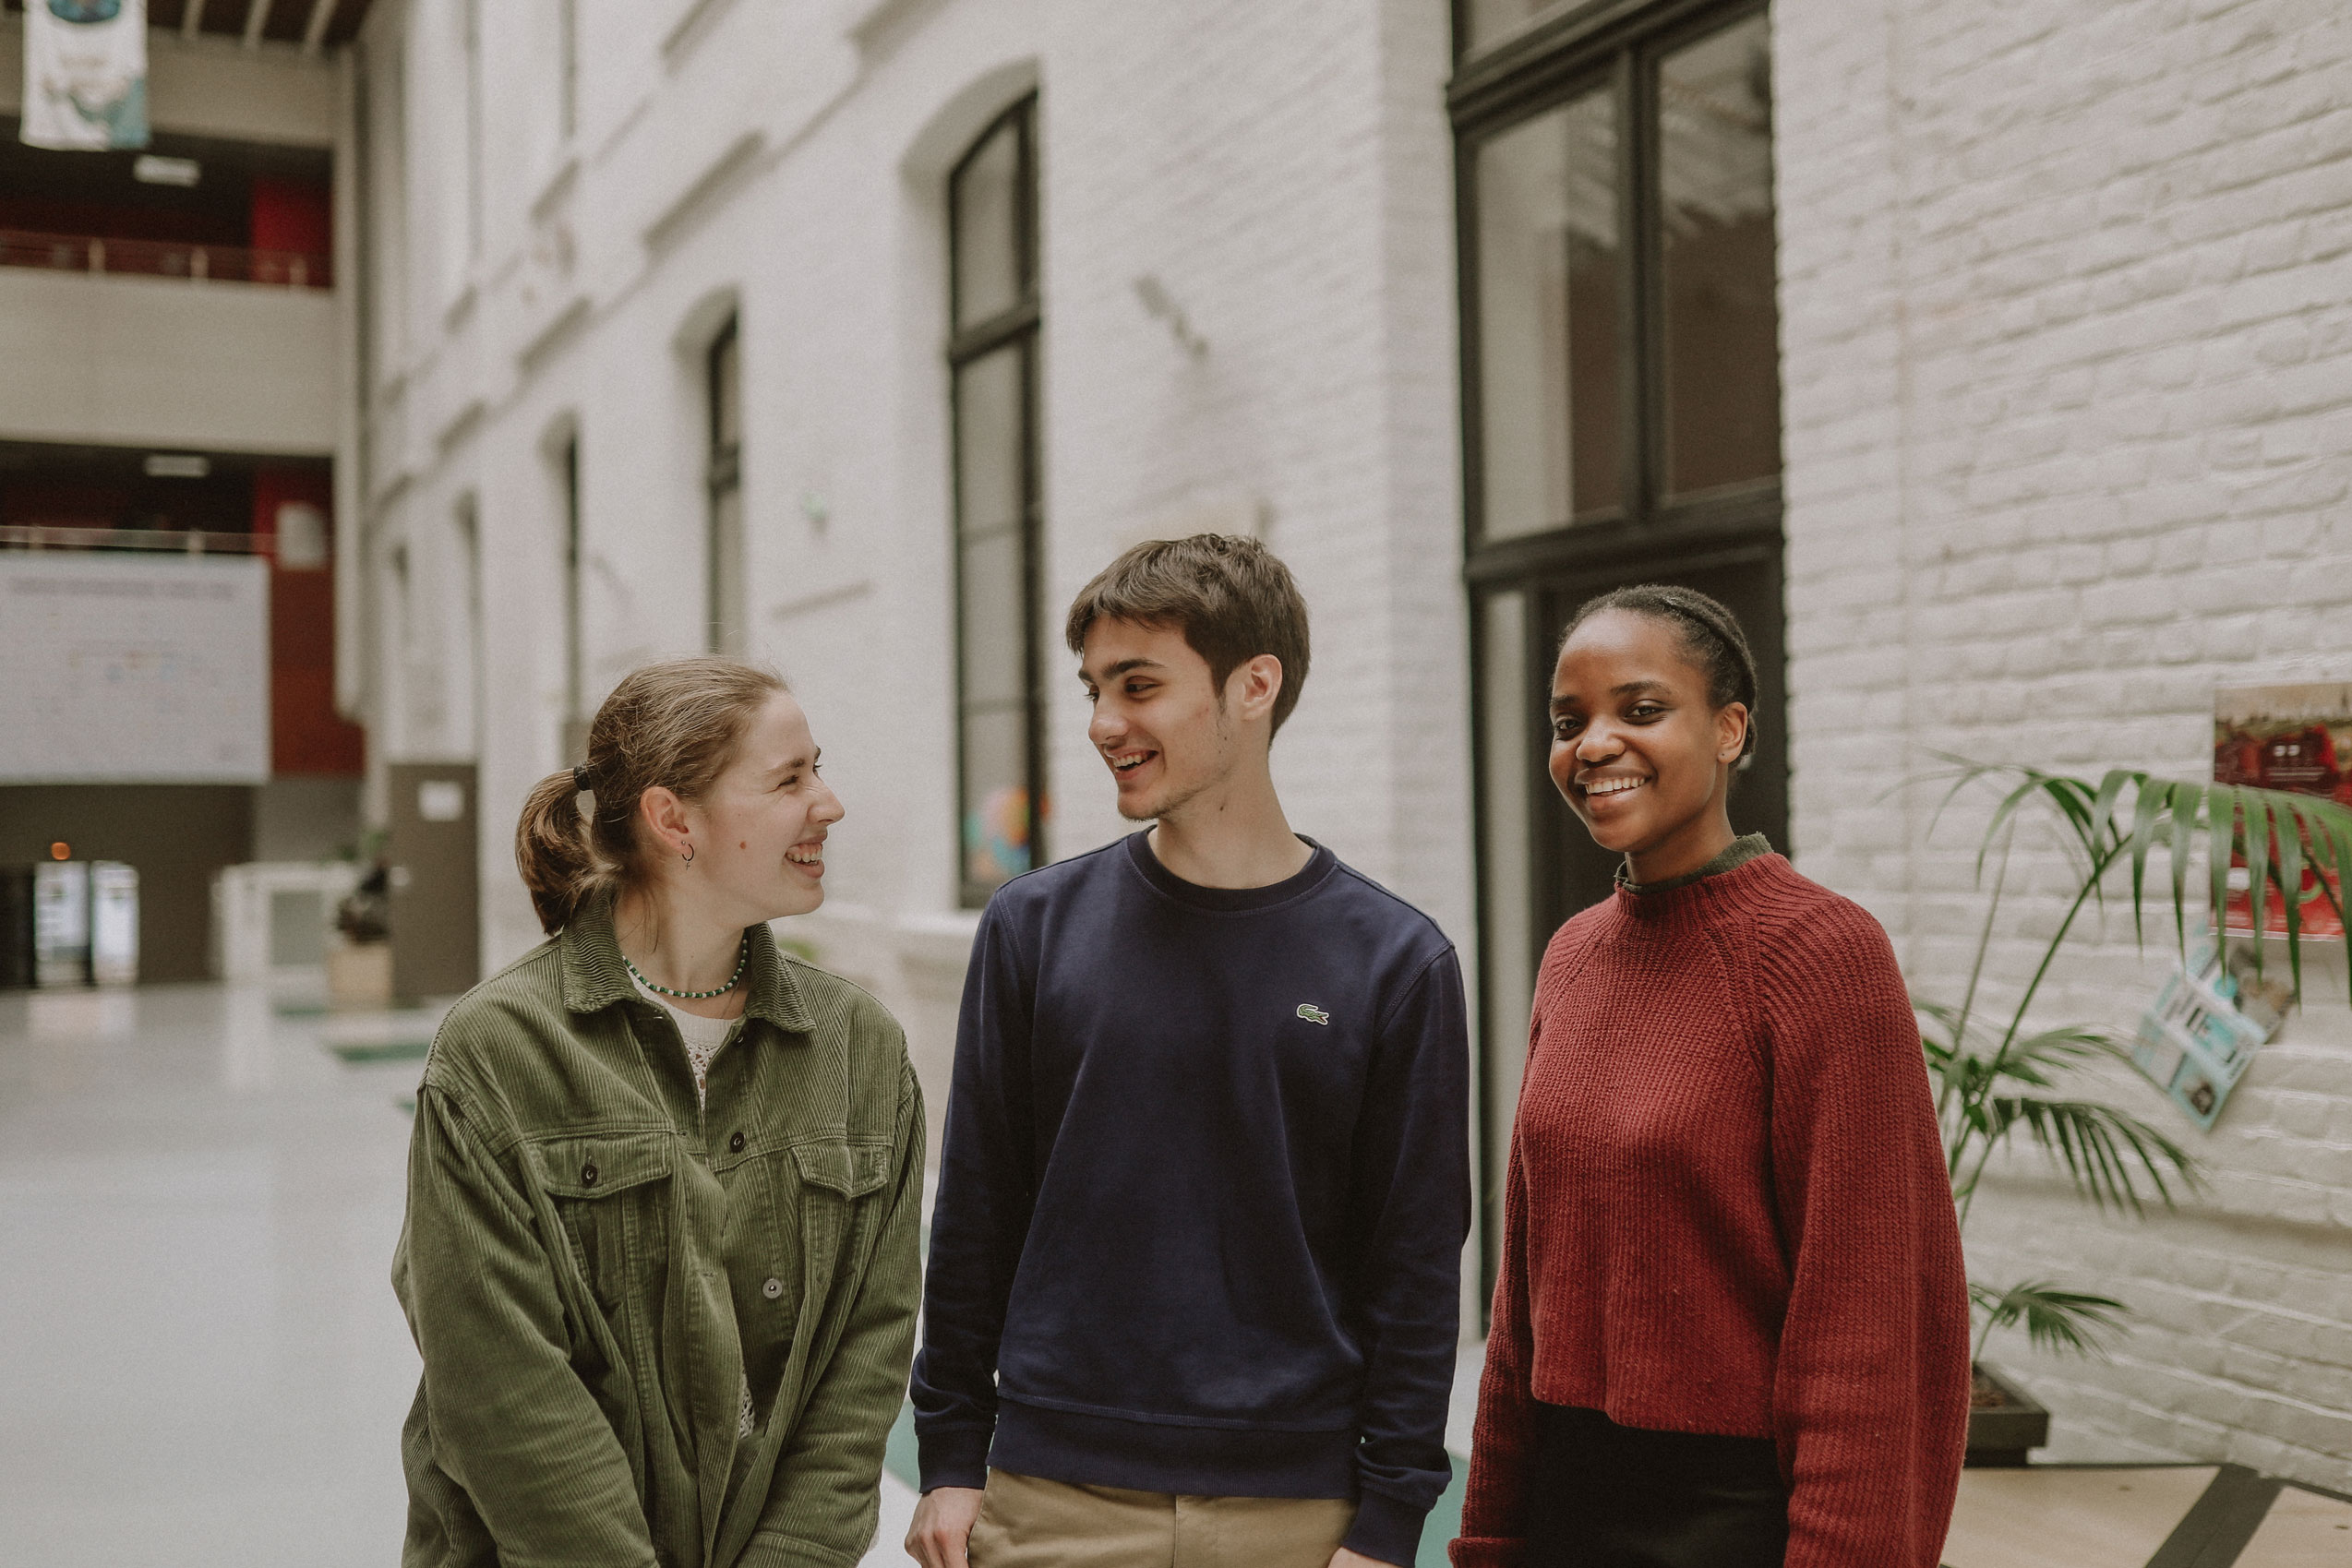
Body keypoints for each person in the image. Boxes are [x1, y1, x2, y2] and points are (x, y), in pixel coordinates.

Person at [907, 535, 1470, 1568]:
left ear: (1254, 685)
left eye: (1139, 685)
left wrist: (1389, 1523)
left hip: (1296, 1516)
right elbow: (977, 1211)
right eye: (1092, 689)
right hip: (1049, 1503)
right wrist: (948, 1455)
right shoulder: (1033, 929)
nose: (1102, 724)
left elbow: (1415, 1264)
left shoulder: (1396, 960)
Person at [1451, 586, 1970, 1568]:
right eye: (1570, 722)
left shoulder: (1821, 952)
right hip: (1564, 1505)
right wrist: (1492, 1533)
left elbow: (1869, 1329)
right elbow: (1521, 1307)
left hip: (1730, 1523)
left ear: (1730, 728)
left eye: (1640, 710)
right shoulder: (1571, 955)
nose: (1594, 743)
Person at [393, 657, 923, 1568]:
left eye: (818, 769)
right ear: (674, 818)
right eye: (790, 779)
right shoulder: (499, 1051)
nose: (828, 804)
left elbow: (867, 1360)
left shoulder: (859, 1048)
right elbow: (501, 1392)